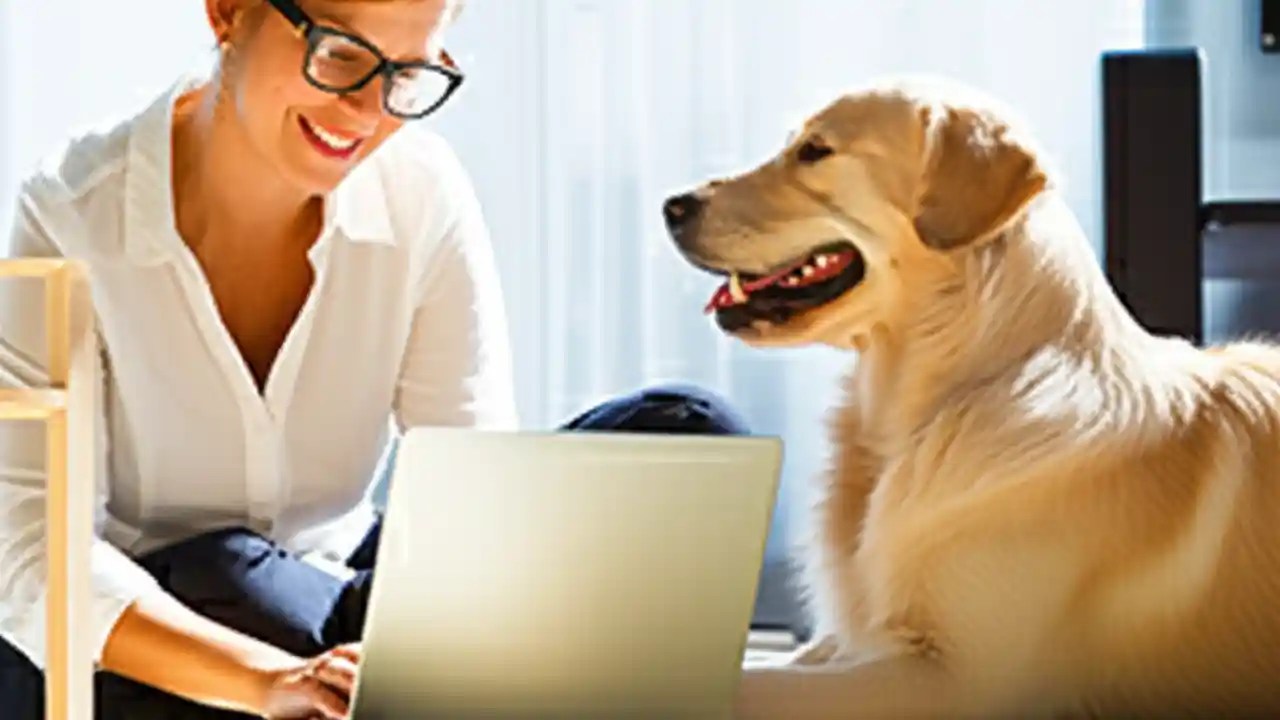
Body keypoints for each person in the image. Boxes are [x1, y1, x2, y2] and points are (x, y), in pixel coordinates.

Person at [0, 0, 750, 717]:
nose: (366, 111)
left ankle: (393, 691)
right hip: (163, 635)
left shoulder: (421, 191)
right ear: (227, 10)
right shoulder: (72, 214)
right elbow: (33, 556)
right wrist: (268, 681)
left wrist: (460, 631)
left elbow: (469, 484)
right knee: (224, 574)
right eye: (340, 54)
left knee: (689, 433)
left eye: (407, 74)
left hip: (346, 598)